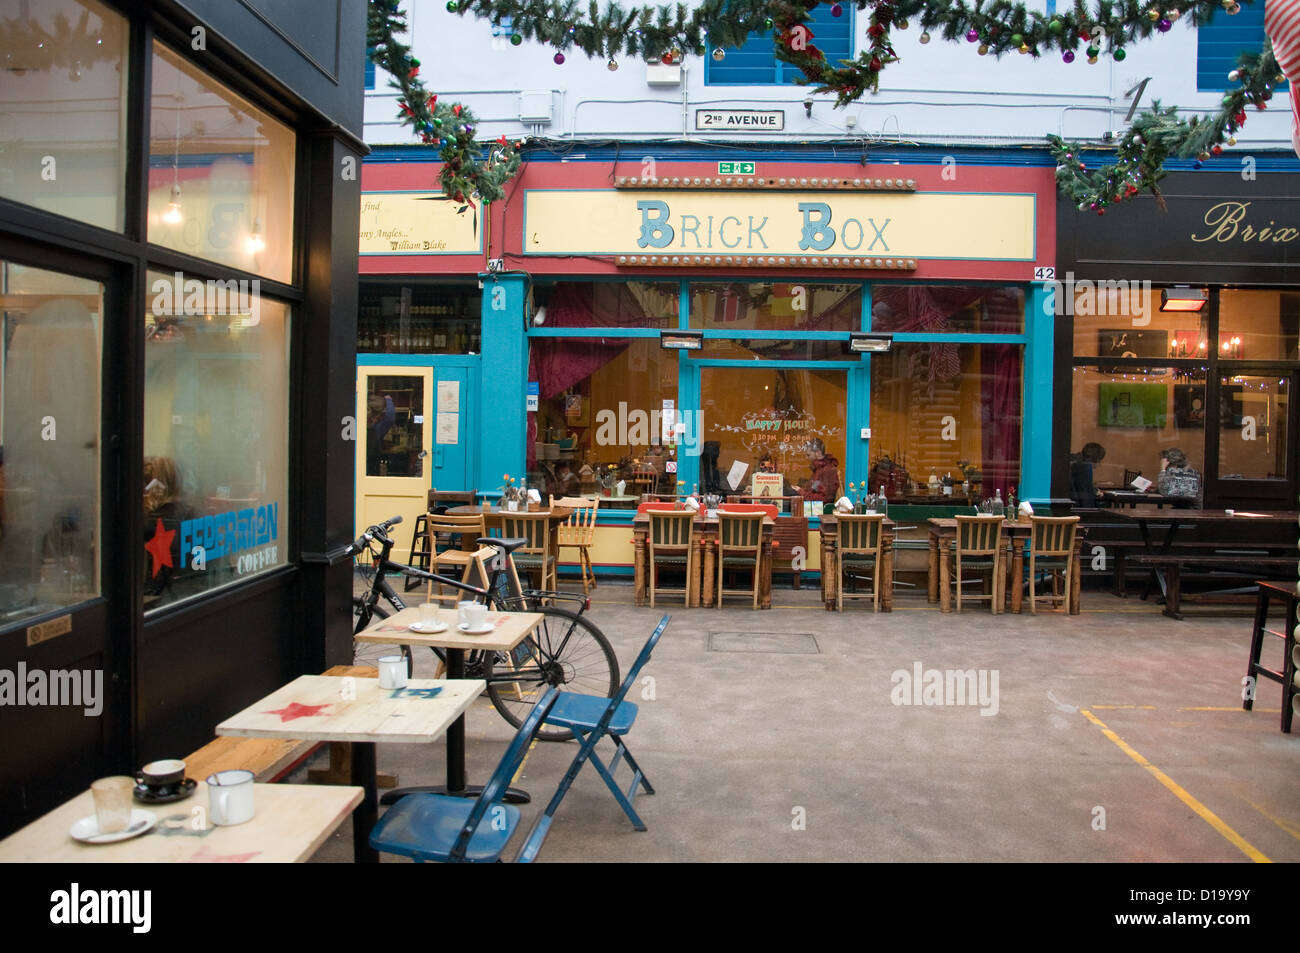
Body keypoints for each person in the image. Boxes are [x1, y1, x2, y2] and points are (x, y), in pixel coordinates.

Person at [799, 437, 840, 503]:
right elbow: (814, 490)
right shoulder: (818, 469)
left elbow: (826, 498)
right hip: (815, 509)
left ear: (817, 453)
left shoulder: (828, 470)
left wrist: (802, 493)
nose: (807, 458)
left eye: (808, 455)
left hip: (820, 511)